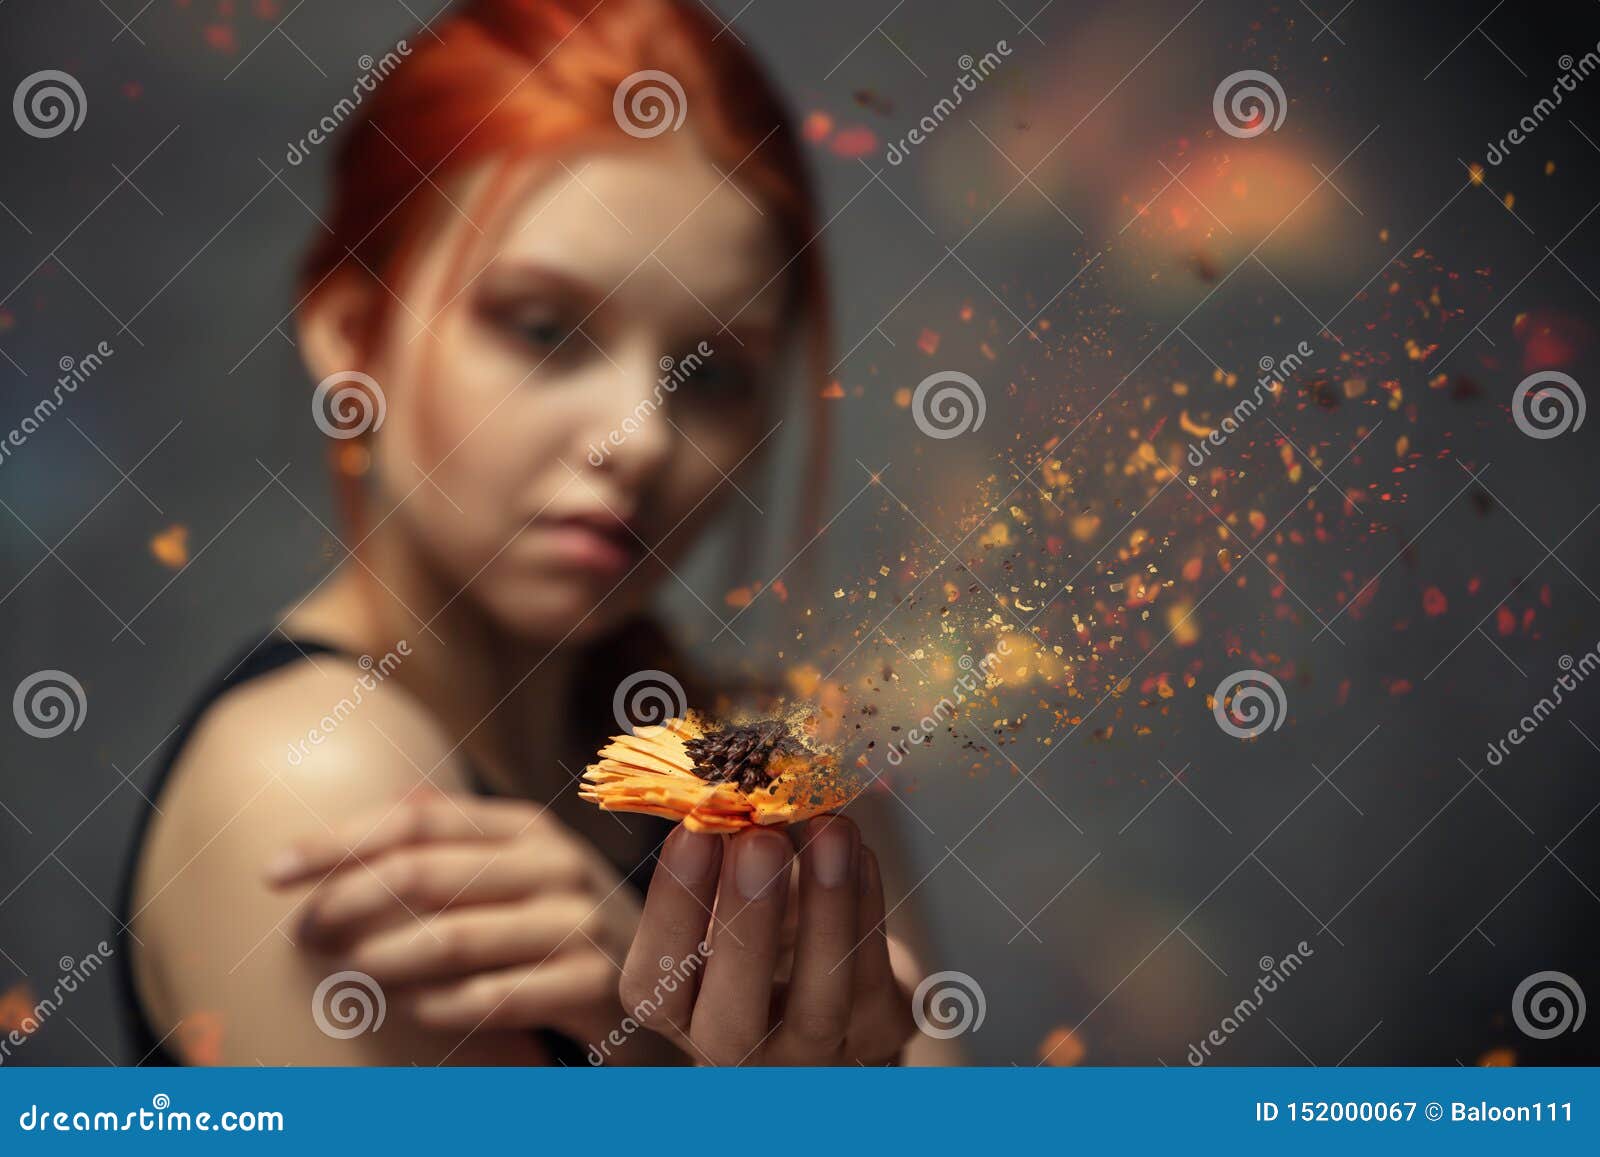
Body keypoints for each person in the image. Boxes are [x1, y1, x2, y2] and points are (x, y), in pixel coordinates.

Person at [117, 0, 950, 1067]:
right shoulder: (313, 777)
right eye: (544, 328)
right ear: (350, 331)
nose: (639, 439)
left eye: (716, 373)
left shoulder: (778, 781)